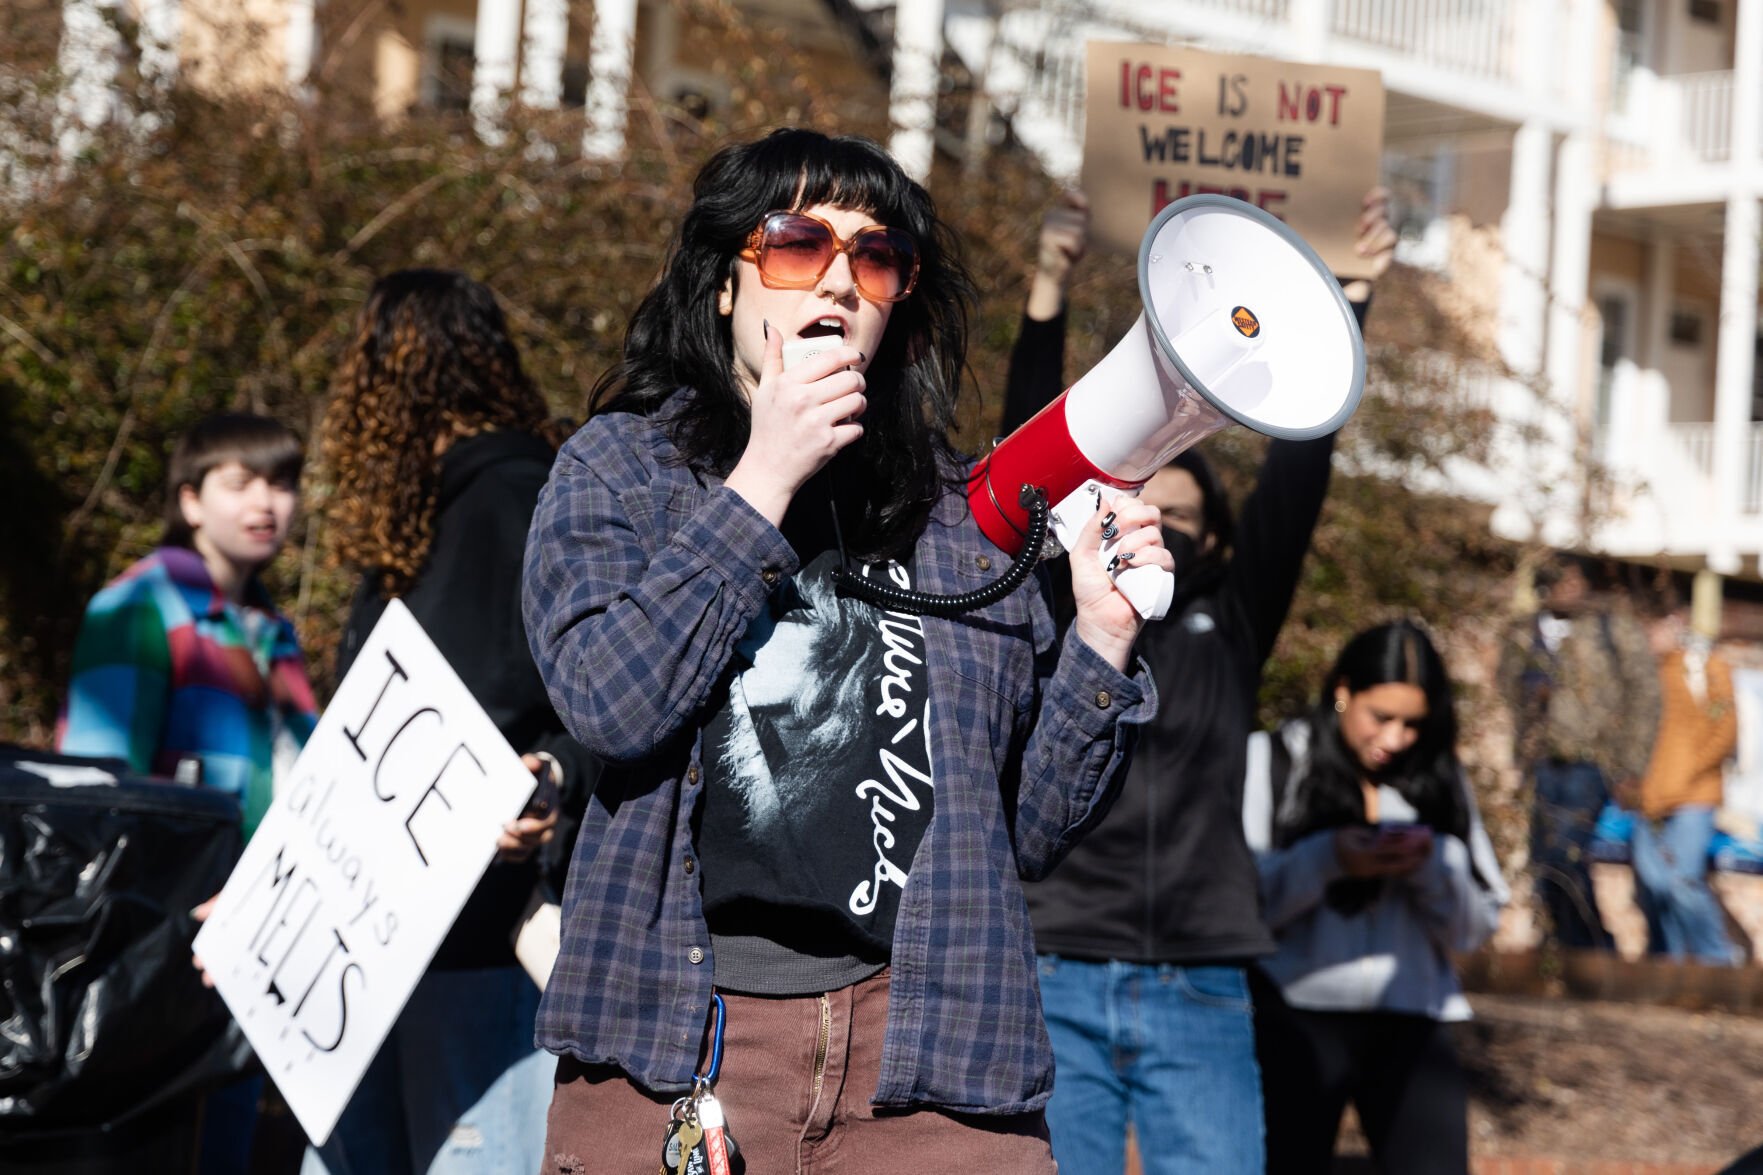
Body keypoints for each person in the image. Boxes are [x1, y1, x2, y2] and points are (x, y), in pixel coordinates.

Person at [521, 127, 1172, 1173]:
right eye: (793, 241)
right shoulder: (622, 471)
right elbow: (608, 698)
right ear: (724, 287)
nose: (837, 276)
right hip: (683, 1041)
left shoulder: (960, 518)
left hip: (930, 1067)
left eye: (874, 258)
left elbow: (1025, 831)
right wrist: (762, 482)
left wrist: (1100, 637)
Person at [1006, 188, 1394, 1174]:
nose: (1153, 524)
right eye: (1135, 506)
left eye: (1179, 511)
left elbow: (1295, 477)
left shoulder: (1232, 625)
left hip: (1201, 980)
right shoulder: (1065, 608)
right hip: (1055, 968)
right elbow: (1033, 458)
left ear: (1213, 538)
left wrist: (1343, 305)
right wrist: (1045, 292)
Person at [306, 269, 594, 1175]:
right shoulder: (431, 519)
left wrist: (552, 778)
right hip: (377, 960)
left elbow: (593, 703)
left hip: (477, 951)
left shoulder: (511, 504)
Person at [60, 411, 318, 1173]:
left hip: (258, 945)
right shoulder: (138, 607)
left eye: (281, 483)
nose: (264, 502)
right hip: (165, 952)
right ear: (189, 499)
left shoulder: (275, 630)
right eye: (240, 483)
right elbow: (102, 797)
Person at [1243, 620, 1509, 1175]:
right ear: (1343, 693)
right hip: (1294, 1014)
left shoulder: (1441, 777)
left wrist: (1431, 864)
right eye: (1381, 718)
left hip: (1414, 1015)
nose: (1395, 740)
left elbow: (1475, 927)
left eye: (1413, 724)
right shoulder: (1273, 760)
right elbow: (1240, 907)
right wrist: (1328, 859)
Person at [1499, 556, 1660, 950]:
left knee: (1564, 854)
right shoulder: (1524, 631)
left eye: (1576, 580)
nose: (1570, 589)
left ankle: (1589, 946)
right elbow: (1507, 688)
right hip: (1541, 760)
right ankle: (1567, 946)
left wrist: (1631, 765)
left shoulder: (1610, 628)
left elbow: (1646, 697)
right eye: (1560, 581)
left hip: (1592, 762)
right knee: (1543, 859)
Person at [1631, 608, 1740, 964]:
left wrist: (1691, 771)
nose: (1651, 636)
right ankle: (1669, 963)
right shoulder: (1642, 674)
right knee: (1653, 885)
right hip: (1649, 795)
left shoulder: (1706, 667)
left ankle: (1718, 962)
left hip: (1695, 793)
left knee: (1683, 882)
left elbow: (1725, 729)